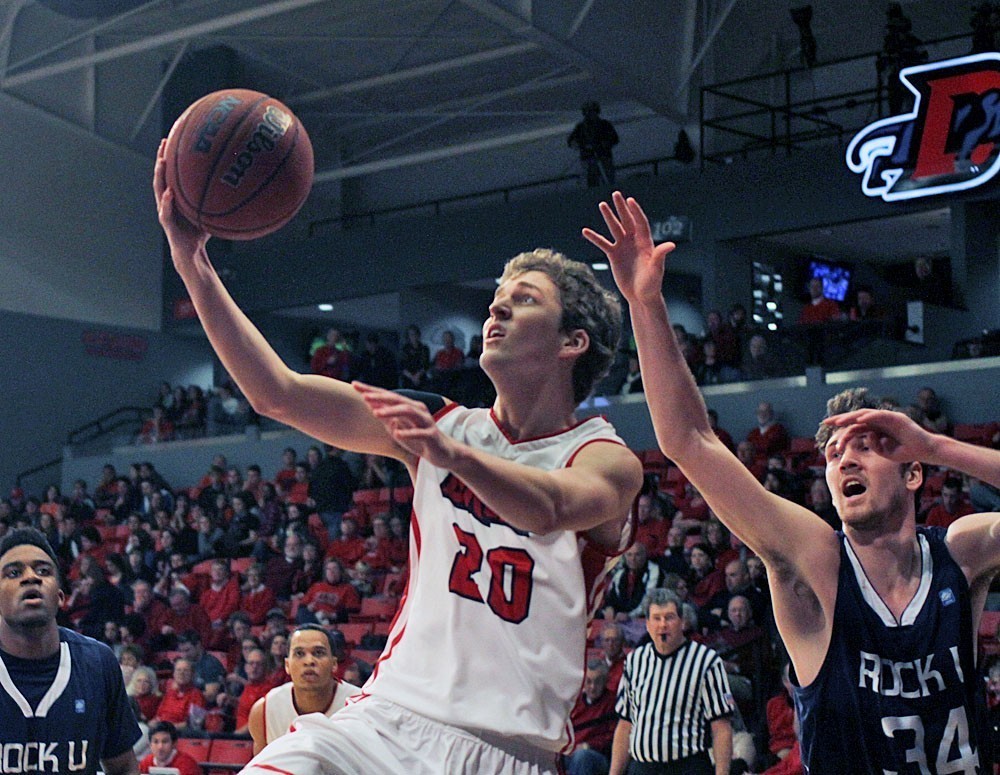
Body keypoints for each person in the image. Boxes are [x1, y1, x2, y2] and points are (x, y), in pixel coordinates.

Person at [156, 147, 640, 775]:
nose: (494, 309)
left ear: (572, 341)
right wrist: (191, 261)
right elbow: (276, 393)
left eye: (522, 301)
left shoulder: (603, 457)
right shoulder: (439, 424)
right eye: (496, 297)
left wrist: (450, 455)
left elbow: (548, 508)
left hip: (506, 751)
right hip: (384, 722)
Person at [585, 190, 1000, 774]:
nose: (845, 460)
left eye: (869, 446)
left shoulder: (961, 551)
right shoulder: (818, 560)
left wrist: (935, 444)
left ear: (912, 473)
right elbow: (689, 442)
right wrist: (646, 305)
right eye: (833, 453)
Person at [0, 528, 141, 775]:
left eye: (43, 571)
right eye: (14, 572)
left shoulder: (98, 663)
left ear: (61, 597)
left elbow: (124, 767)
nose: (31, 577)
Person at [609, 589, 734, 775]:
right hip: (642, 768)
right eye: (656, 618)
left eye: (669, 617)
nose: (663, 625)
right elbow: (625, 724)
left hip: (687, 767)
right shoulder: (635, 660)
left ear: (682, 622)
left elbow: (721, 727)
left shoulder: (706, 660)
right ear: (647, 624)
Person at [247, 625, 361, 754]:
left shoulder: (361, 705)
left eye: (319, 653)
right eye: (299, 653)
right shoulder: (264, 711)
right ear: (287, 665)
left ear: (334, 664)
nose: (309, 661)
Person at [565, 660, 618, 775]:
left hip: (598, 756)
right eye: (588, 682)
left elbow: (611, 738)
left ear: (605, 682)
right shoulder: (575, 701)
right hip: (571, 752)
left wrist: (587, 745)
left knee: (582, 756)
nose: (592, 687)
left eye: (597, 682)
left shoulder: (612, 703)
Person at [568, 101, 620, 187]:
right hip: (588, 159)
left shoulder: (605, 125)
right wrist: (582, 146)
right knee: (592, 181)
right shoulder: (580, 127)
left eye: (592, 111)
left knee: (609, 180)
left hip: (604, 157)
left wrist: (605, 144)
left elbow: (615, 139)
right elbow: (571, 141)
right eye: (587, 112)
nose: (590, 114)